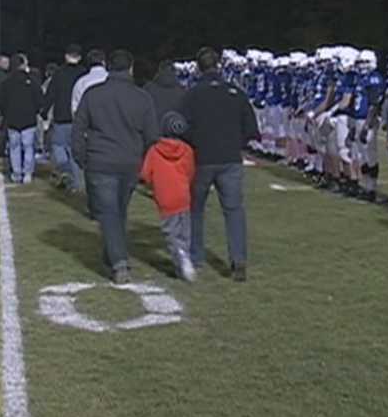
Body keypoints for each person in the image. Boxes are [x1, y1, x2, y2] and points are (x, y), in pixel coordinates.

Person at [72, 49, 159, 284]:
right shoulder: (142, 97)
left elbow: (78, 128)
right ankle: (115, 258)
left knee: (110, 212)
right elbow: (152, 135)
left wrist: (81, 158)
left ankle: (117, 260)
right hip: (130, 162)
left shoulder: (93, 94)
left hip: (100, 160)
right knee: (117, 211)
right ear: (130, 69)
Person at [182, 46, 259, 282]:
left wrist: (195, 142)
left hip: (202, 158)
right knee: (234, 210)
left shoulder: (192, 94)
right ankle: (238, 259)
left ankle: (196, 256)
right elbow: (251, 129)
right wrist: (235, 143)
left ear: (198, 68)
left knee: (195, 209)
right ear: (219, 66)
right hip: (230, 159)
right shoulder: (236, 92)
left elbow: (181, 127)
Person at [139, 110, 197, 282]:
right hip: (183, 195)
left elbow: (145, 175)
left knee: (171, 232)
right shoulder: (187, 150)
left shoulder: (154, 151)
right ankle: (185, 255)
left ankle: (180, 257)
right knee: (184, 229)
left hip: (165, 196)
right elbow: (190, 171)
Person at [43, 44, 86, 190]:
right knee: (75, 150)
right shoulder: (83, 74)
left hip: (61, 116)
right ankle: (76, 182)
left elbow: (51, 94)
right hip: (79, 118)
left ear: (66, 56)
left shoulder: (59, 73)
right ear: (79, 57)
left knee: (58, 146)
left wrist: (44, 112)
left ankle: (65, 170)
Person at [0, 53, 45, 184]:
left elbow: (0, 101)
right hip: (29, 119)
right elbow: (39, 99)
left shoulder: (6, 82)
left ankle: (16, 173)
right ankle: (27, 173)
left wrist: (6, 113)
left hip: (12, 119)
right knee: (28, 147)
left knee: (14, 147)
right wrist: (36, 111)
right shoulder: (33, 81)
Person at [69, 48, 108, 195]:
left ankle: (84, 187)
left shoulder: (81, 82)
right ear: (103, 62)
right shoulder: (110, 79)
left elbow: (75, 109)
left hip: (89, 129)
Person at [143, 59, 187, 123]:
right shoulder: (182, 91)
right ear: (174, 71)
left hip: (155, 126)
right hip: (176, 126)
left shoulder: (148, 88)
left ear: (159, 70)